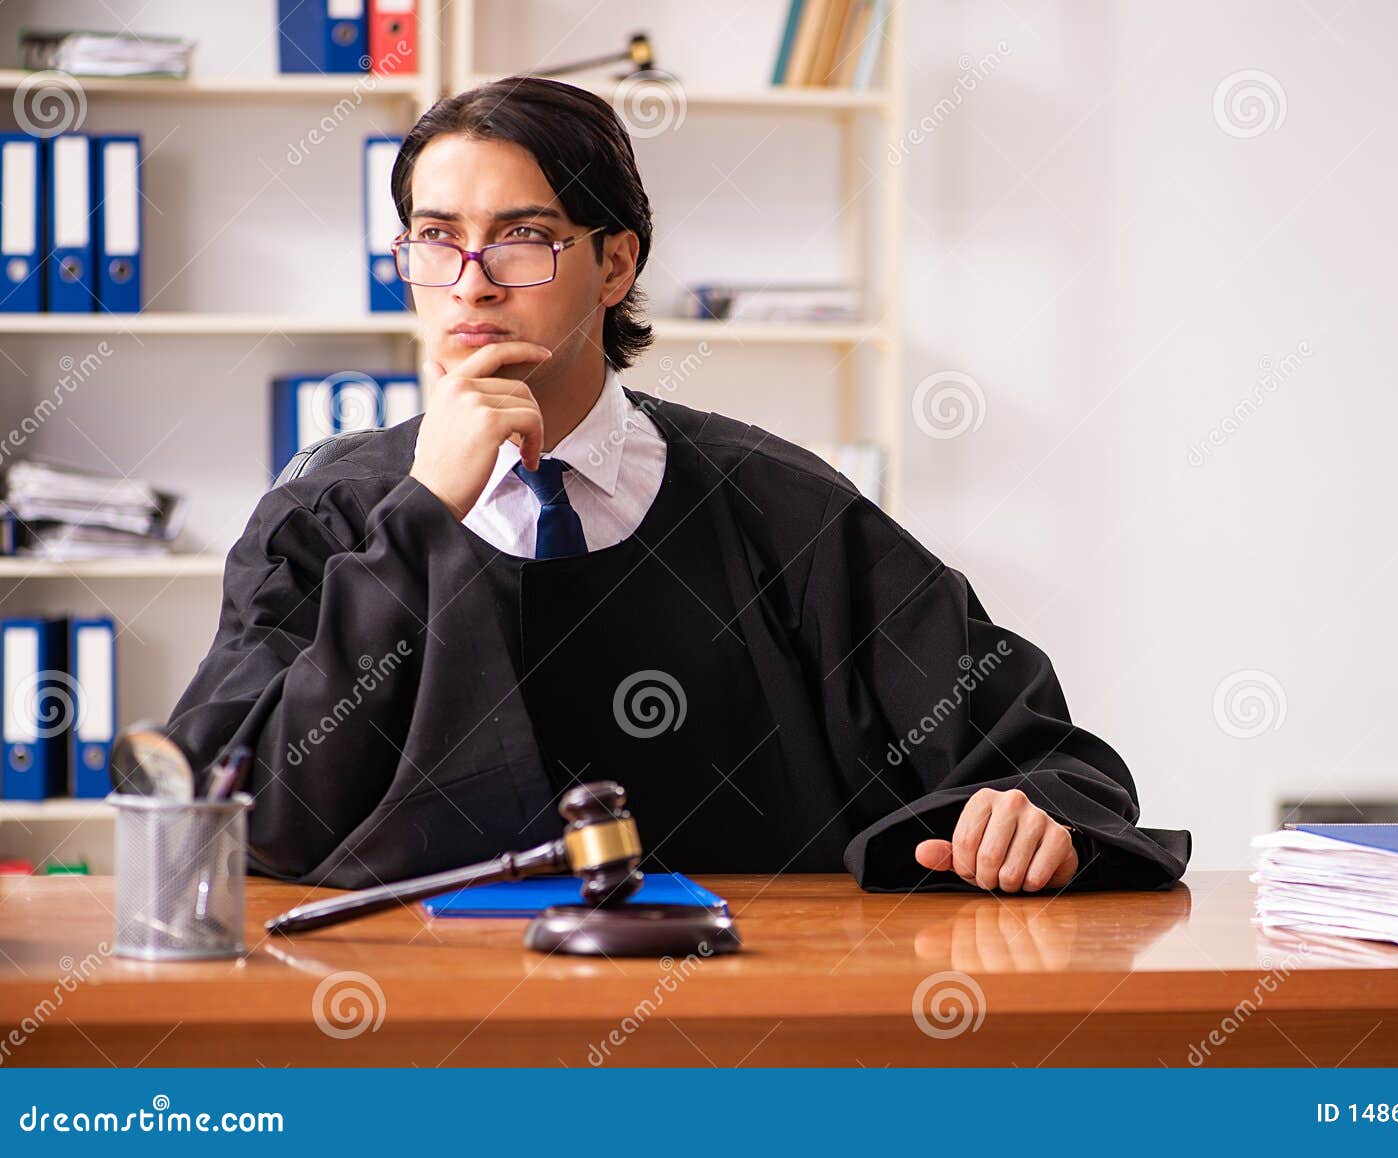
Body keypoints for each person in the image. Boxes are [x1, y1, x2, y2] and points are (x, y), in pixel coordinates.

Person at [165, 77, 1190, 896]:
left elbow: (1051, 770)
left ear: (616, 264)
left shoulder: (784, 509)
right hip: (421, 1028)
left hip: (755, 1029)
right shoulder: (327, 516)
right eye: (435, 238)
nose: (470, 280)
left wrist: (1031, 823)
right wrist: (422, 517)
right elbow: (237, 819)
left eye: (523, 236)